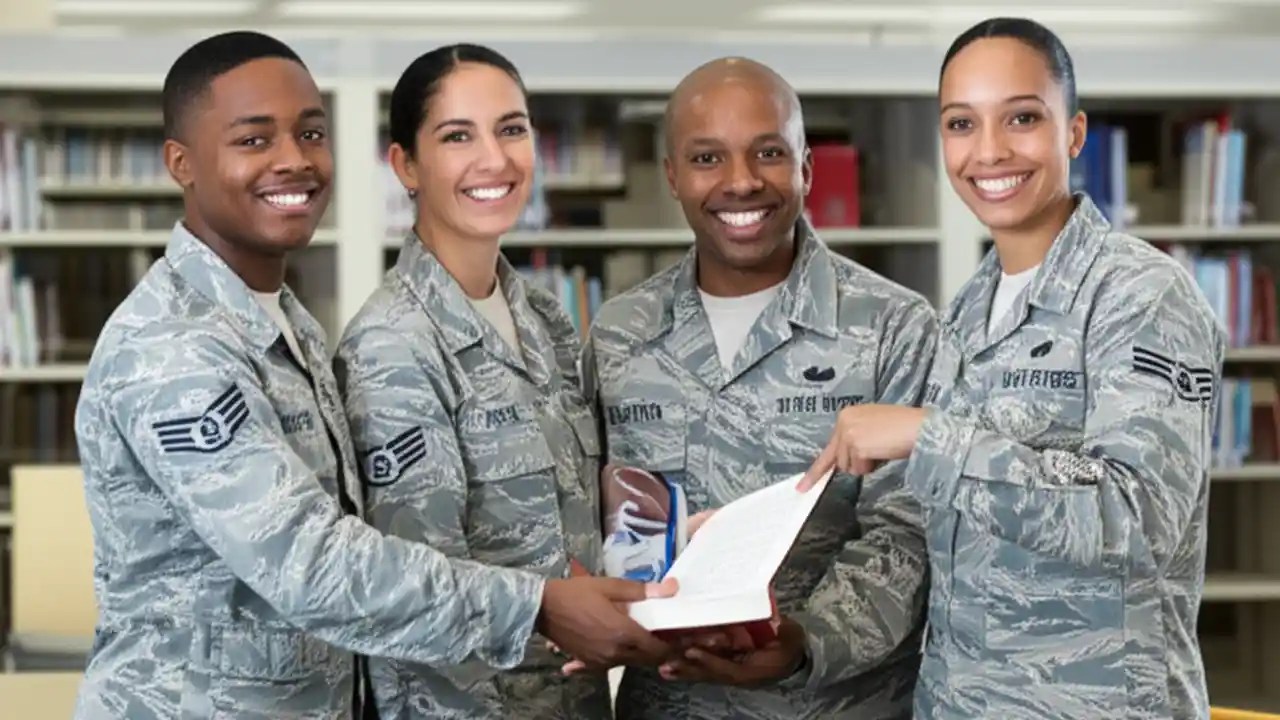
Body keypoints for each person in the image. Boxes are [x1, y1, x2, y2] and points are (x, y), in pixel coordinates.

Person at [72, 31, 674, 720]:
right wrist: (537, 607)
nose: (293, 161)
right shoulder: (173, 346)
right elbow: (311, 565)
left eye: (311, 133)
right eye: (253, 140)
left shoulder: (286, 325)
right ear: (181, 162)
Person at [801, 17, 1224, 720]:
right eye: (961, 124)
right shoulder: (968, 312)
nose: (989, 151)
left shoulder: (1142, 295)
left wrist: (929, 434)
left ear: (1074, 132)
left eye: (1022, 118)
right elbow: (921, 522)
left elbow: (1139, 520)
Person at [580, 56, 938, 719]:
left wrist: (805, 641)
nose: (741, 182)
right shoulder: (619, 333)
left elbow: (906, 535)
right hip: (667, 705)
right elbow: (594, 516)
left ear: (805, 168)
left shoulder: (895, 326)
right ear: (674, 177)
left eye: (768, 152)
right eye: (707, 158)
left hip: (835, 703)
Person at [332, 44, 624, 719]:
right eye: (458, 136)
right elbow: (415, 598)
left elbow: (570, 531)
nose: (494, 159)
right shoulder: (391, 345)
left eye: (511, 129)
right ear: (405, 164)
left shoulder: (545, 319)